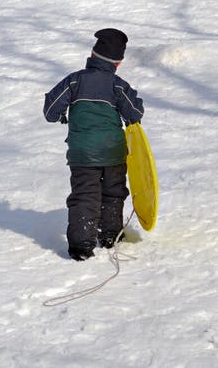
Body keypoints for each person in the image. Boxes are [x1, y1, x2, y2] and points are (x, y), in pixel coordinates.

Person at [43, 28, 144, 261]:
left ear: (92, 55)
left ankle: (81, 248)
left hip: (83, 153)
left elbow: (50, 111)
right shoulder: (118, 85)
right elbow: (135, 113)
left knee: (85, 195)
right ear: (118, 63)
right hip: (113, 152)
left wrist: (62, 115)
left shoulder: (74, 80)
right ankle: (110, 236)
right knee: (113, 193)